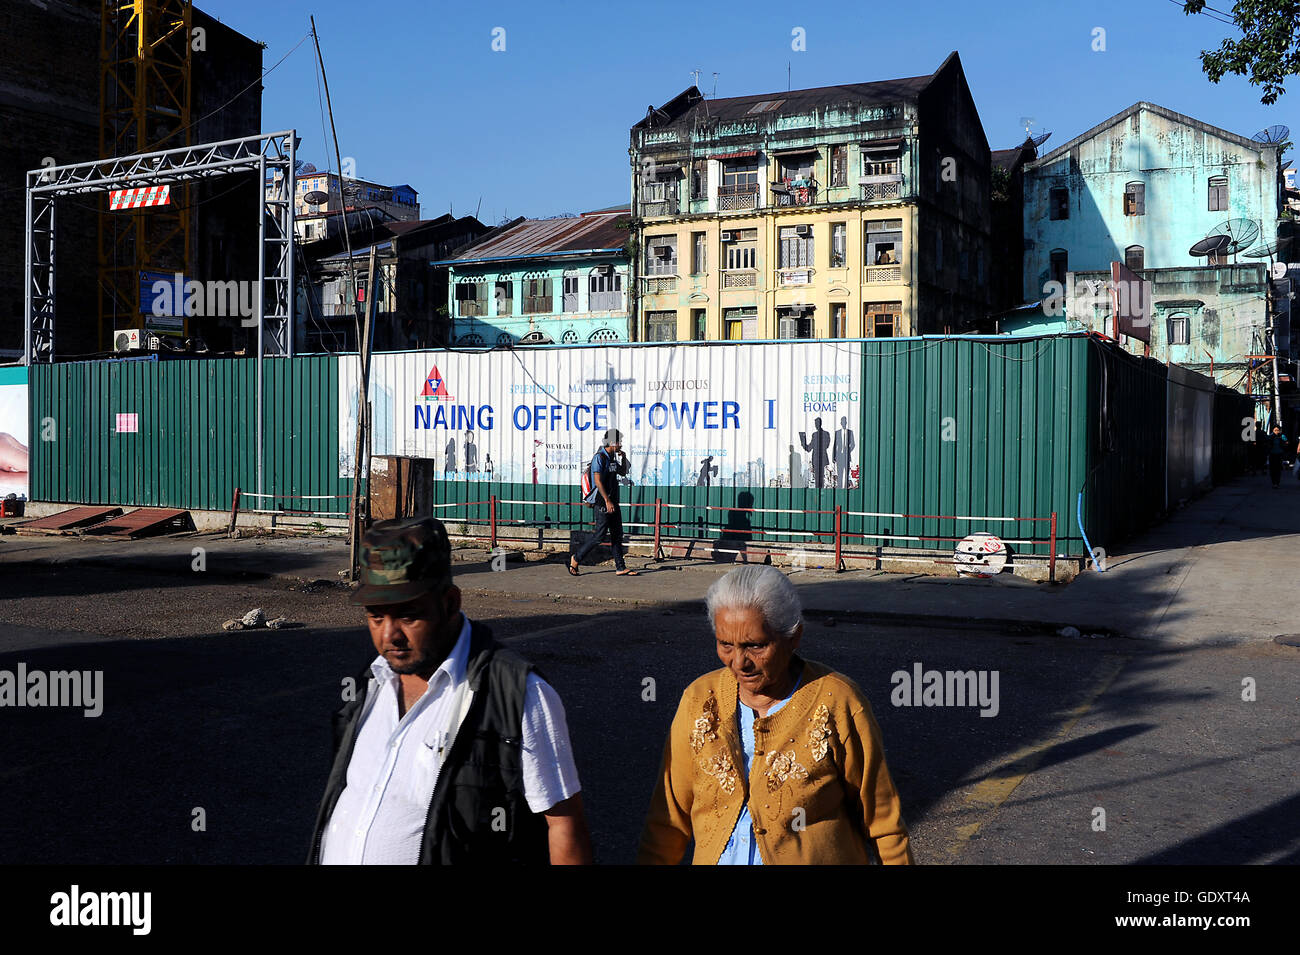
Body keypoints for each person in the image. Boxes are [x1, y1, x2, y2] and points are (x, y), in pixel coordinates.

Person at [308, 517, 593, 864]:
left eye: (408, 616)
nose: (389, 636)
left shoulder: (519, 694)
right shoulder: (371, 683)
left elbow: (564, 824)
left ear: (450, 603)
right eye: (375, 616)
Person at [637, 565, 914, 865]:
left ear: (793, 636)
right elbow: (667, 822)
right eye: (725, 645)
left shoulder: (838, 702)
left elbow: (883, 823)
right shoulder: (699, 700)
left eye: (755, 646)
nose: (739, 662)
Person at [570, 429, 636, 576]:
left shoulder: (612, 458)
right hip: (603, 502)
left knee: (617, 535)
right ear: (612, 443)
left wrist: (623, 458)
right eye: (619, 442)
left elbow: (623, 472)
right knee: (599, 536)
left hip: (613, 501)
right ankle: (576, 558)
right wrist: (606, 501)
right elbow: (598, 481)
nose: (621, 445)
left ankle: (620, 567)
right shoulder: (599, 458)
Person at [1267, 424, 1290, 489]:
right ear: (1273, 430)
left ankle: (1277, 483)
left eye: (1278, 430)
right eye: (1275, 430)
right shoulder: (1270, 436)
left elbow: (1287, 442)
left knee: (1278, 469)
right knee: (1272, 469)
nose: (1276, 431)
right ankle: (1274, 482)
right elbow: (1267, 443)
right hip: (1272, 455)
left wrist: (1284, 442)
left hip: (1279, 455)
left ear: (1280, 430)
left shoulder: (1282, 436)